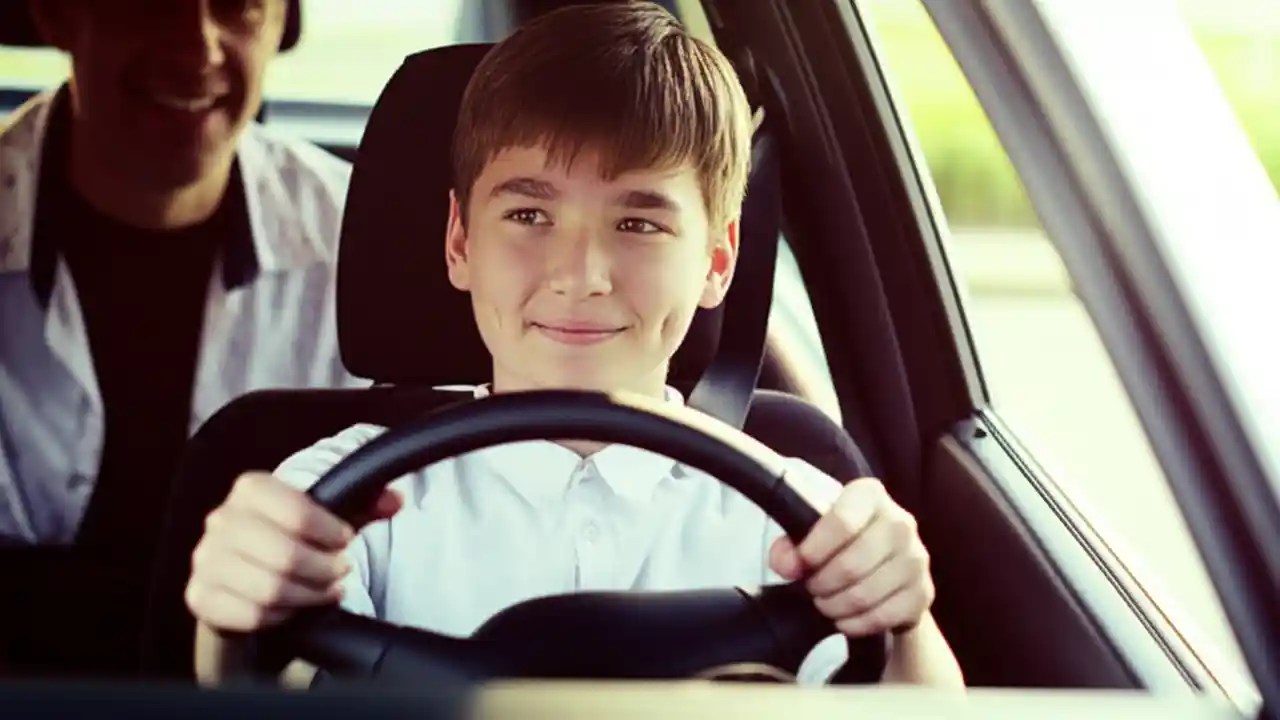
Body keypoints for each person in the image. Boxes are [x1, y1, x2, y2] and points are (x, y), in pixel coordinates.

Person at [184, 1, 965, 687]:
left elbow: (906, 704)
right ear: (459, 242)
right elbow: (263, 682)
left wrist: (903, 624)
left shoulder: (796, 512)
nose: (581, 274)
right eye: (529, 216)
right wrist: (238, 622)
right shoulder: (338, 493)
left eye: (639, 224)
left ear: (717, 261)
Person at [0, 0, 357, 675]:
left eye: (238, 5)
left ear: (283, 23)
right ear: (56, 17)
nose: (196, 49)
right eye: (151, 3)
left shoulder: (368, 245)